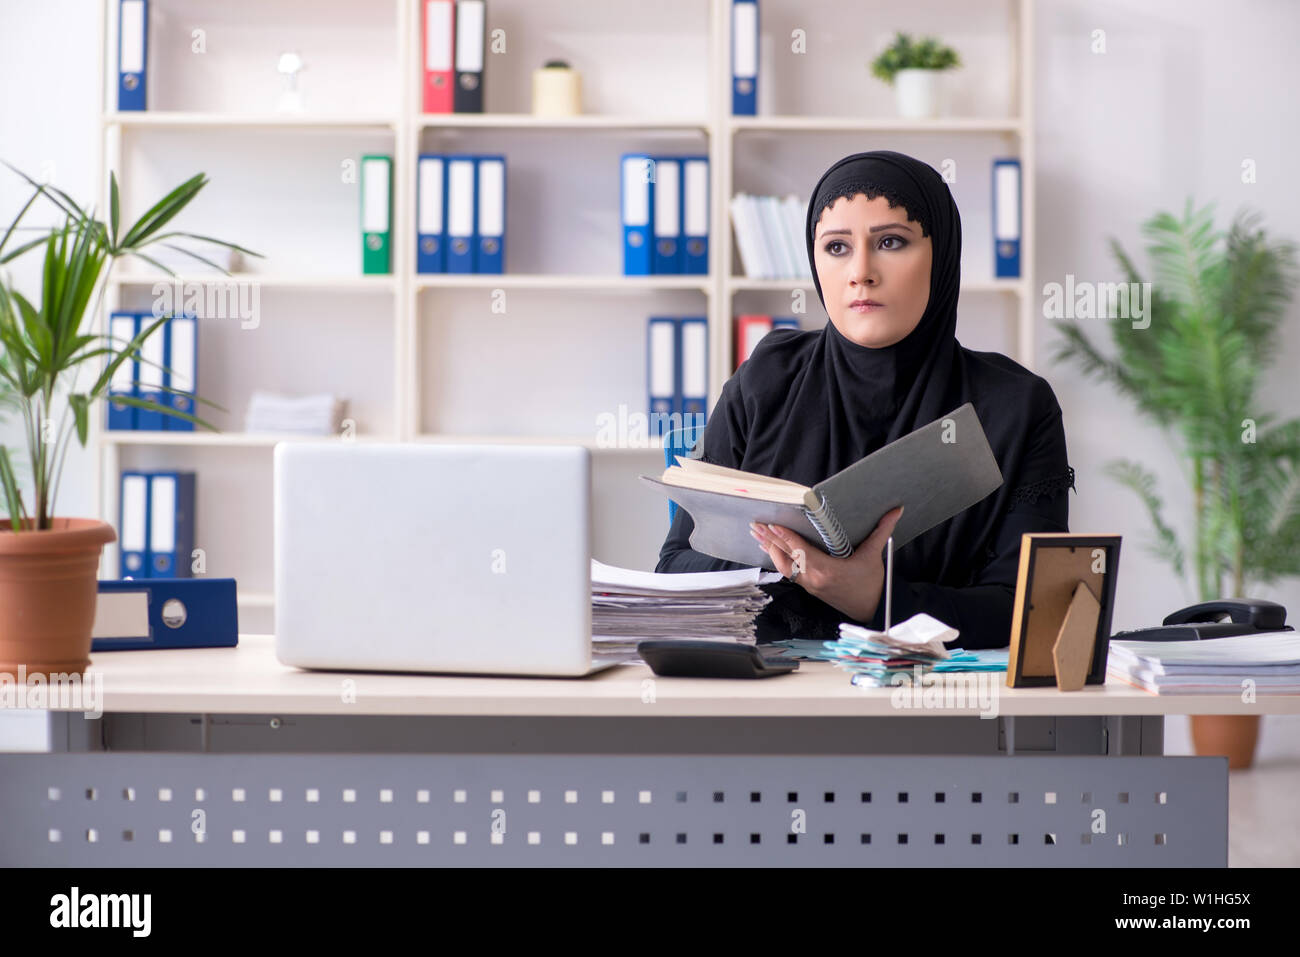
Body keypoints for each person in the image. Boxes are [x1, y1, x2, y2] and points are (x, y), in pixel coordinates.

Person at [655, 150, 1074, 649]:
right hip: (763, 697)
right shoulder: (766, 377)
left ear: (941, 257)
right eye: (836, 247)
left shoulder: (1016, 408)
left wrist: (874, 597)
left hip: (944, 712)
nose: (861, 272)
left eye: (891, 242)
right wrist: (783, 553)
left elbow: (1036, 610)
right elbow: (675, 572)